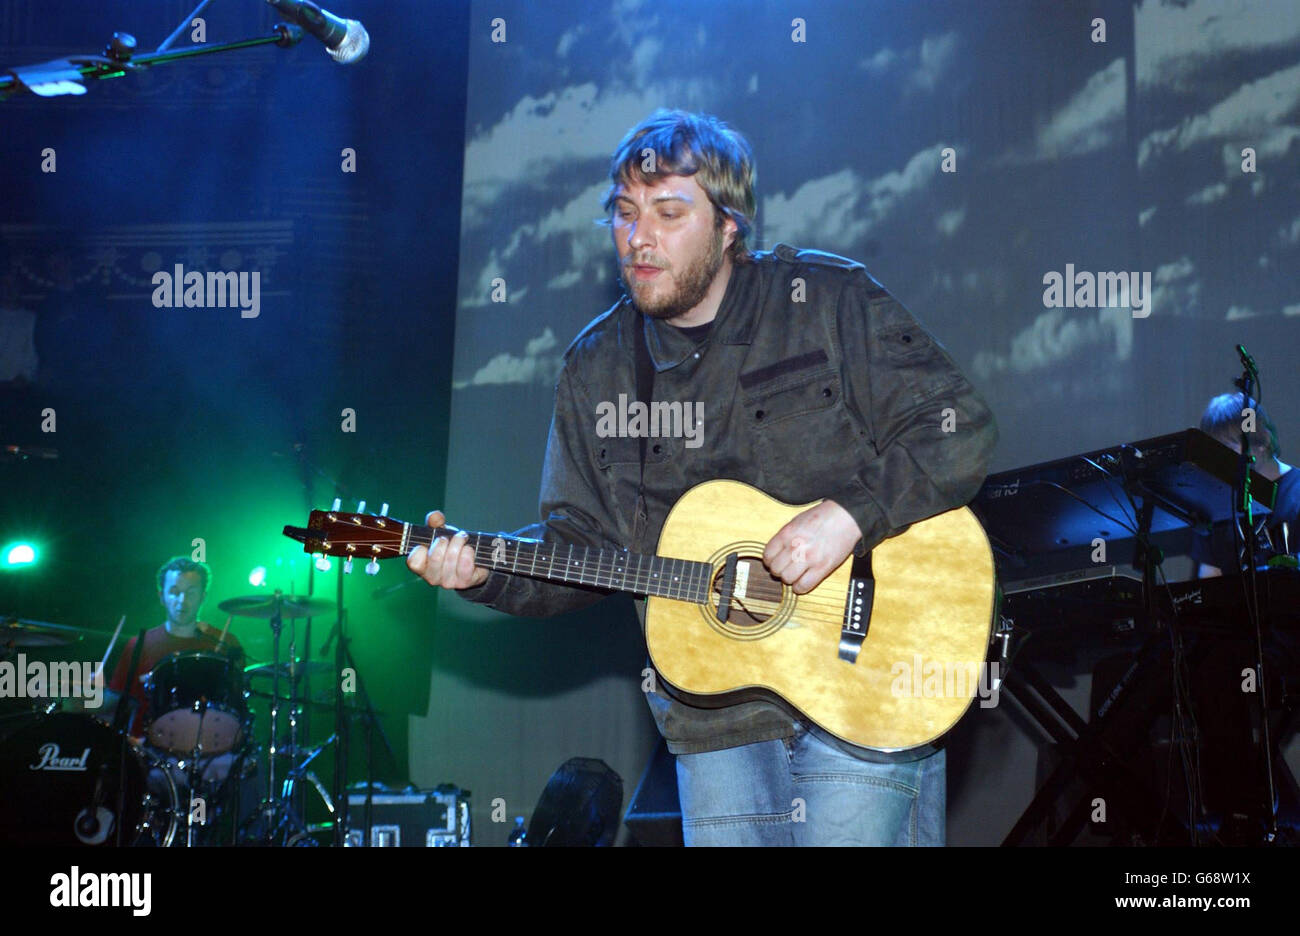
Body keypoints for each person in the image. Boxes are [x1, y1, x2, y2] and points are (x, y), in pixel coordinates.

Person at [408, 110, 998, 845]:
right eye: (624, 214)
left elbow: (959, 425)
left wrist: (846, 515)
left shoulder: (825, 301)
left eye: (668, 211)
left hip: (869, 679)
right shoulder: (597, 370)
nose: (638, 237)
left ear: (728, 226)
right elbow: (581, 548)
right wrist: (481, 571)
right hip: (711, 718)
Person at [106, 556, 250, 842]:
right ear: (161, 596)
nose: (182, 599)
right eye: (174, 591)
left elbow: (239, 709)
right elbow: (114, 707)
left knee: (250, 772)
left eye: (191, 592)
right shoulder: (138, 645)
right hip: (151, 756)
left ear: (203, 597)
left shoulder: (225, 644)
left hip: (214, 756)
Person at [1193, 392, 1298, 578]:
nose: (1219, 460)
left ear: (1263, 442)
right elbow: (1208, 582)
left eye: (1227, 448)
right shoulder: (1215, 504)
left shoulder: (1296, 492)